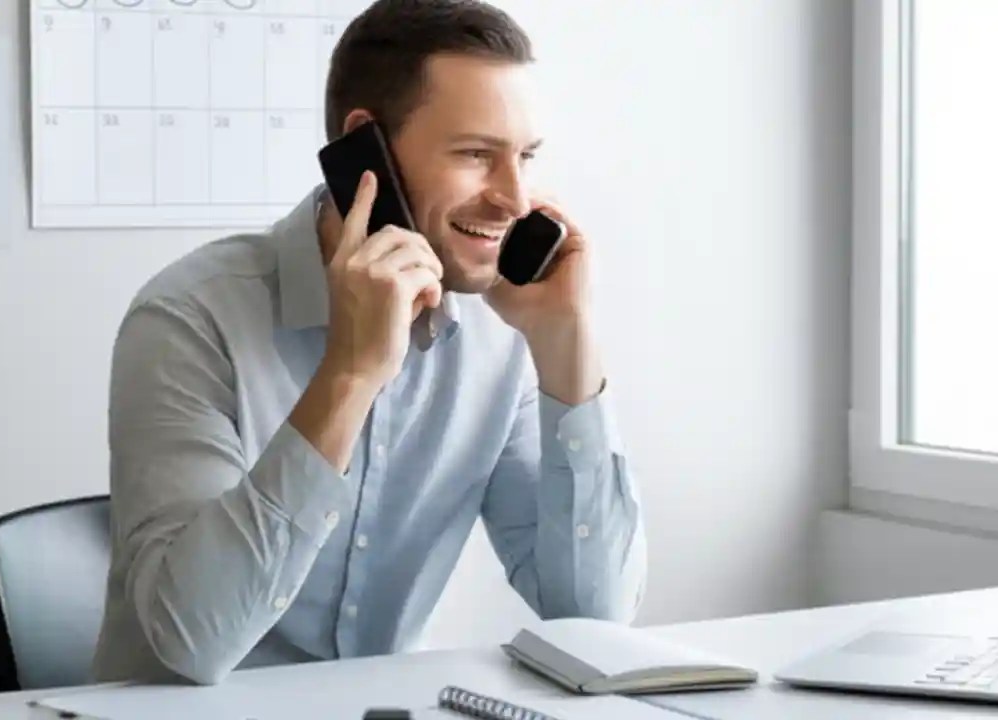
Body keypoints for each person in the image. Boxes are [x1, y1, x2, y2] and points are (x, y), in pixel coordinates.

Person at [91, 0, 646, 685]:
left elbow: (592, 617)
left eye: (525, 157)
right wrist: (349, 375)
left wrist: (567, 347)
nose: (516, 199)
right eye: (476, 155)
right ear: (366, 154)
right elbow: (191, 644)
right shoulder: (190, 319)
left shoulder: (498, 335)